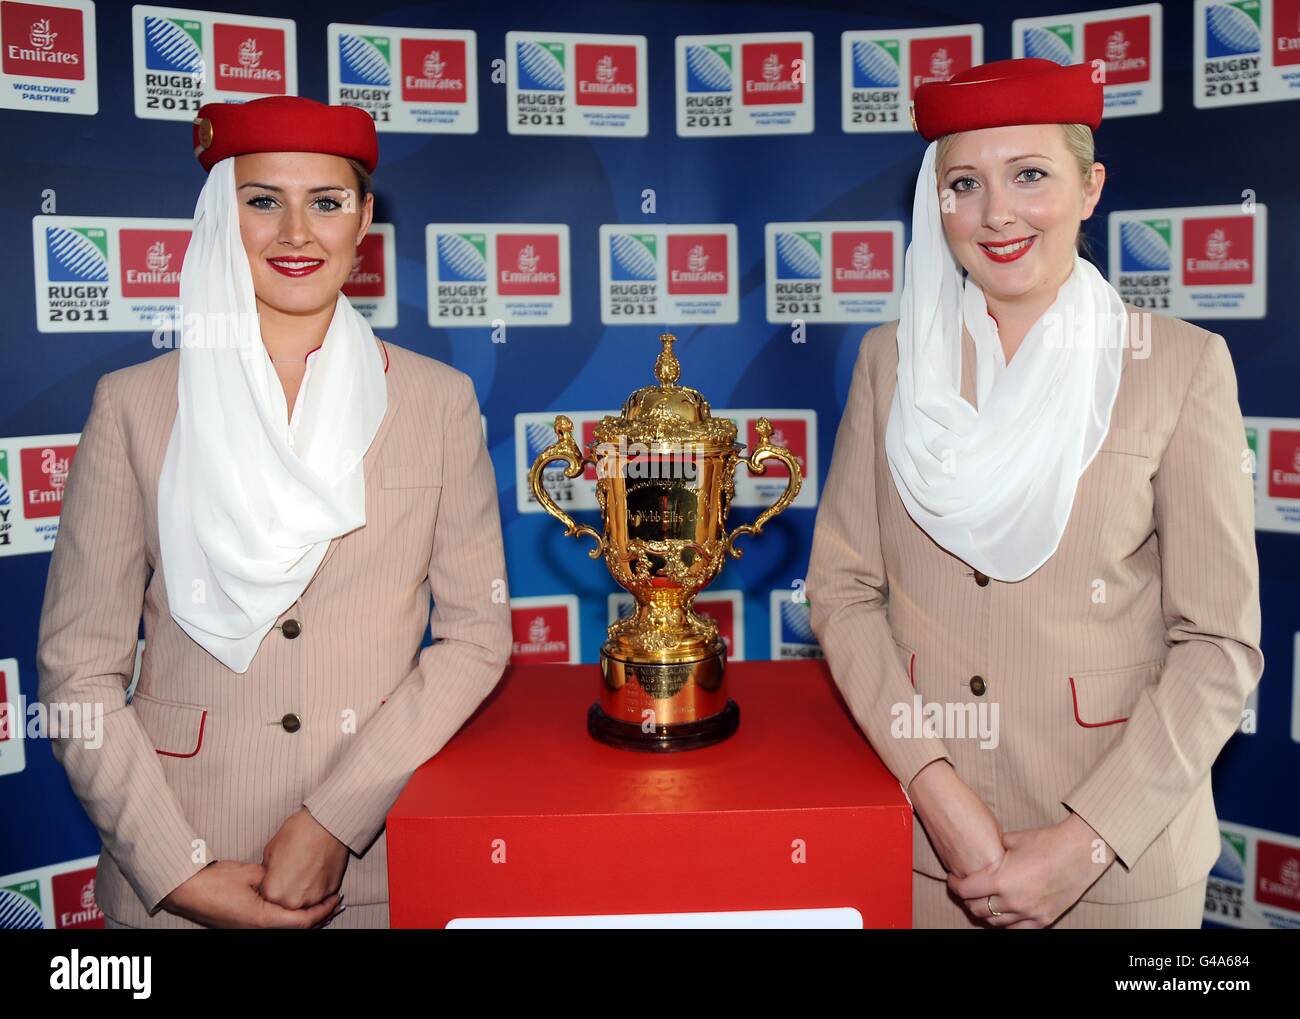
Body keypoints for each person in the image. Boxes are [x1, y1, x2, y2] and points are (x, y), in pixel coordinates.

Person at [36, 96, 513, 929]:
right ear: (222, 214)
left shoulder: (439, 402)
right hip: (177, 866)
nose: (297, 232)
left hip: (376, 866)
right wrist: (172, 869)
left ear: (363, 219)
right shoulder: (135, 405)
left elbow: (478, 636)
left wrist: (336, 816)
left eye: (326, 202)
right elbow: (79, 670)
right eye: (263, 201)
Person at [806, 59, 1263, 928]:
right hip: (928, 857)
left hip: (1124, 870)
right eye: (965, 183)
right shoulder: (889, 364)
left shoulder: (1177, 365)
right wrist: (936, 791)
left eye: (1031, 176)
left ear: (1090, 188)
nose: (997, 213)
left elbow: (1218, 643)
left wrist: (1087, 838)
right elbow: (843, 590)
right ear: (935, 205)